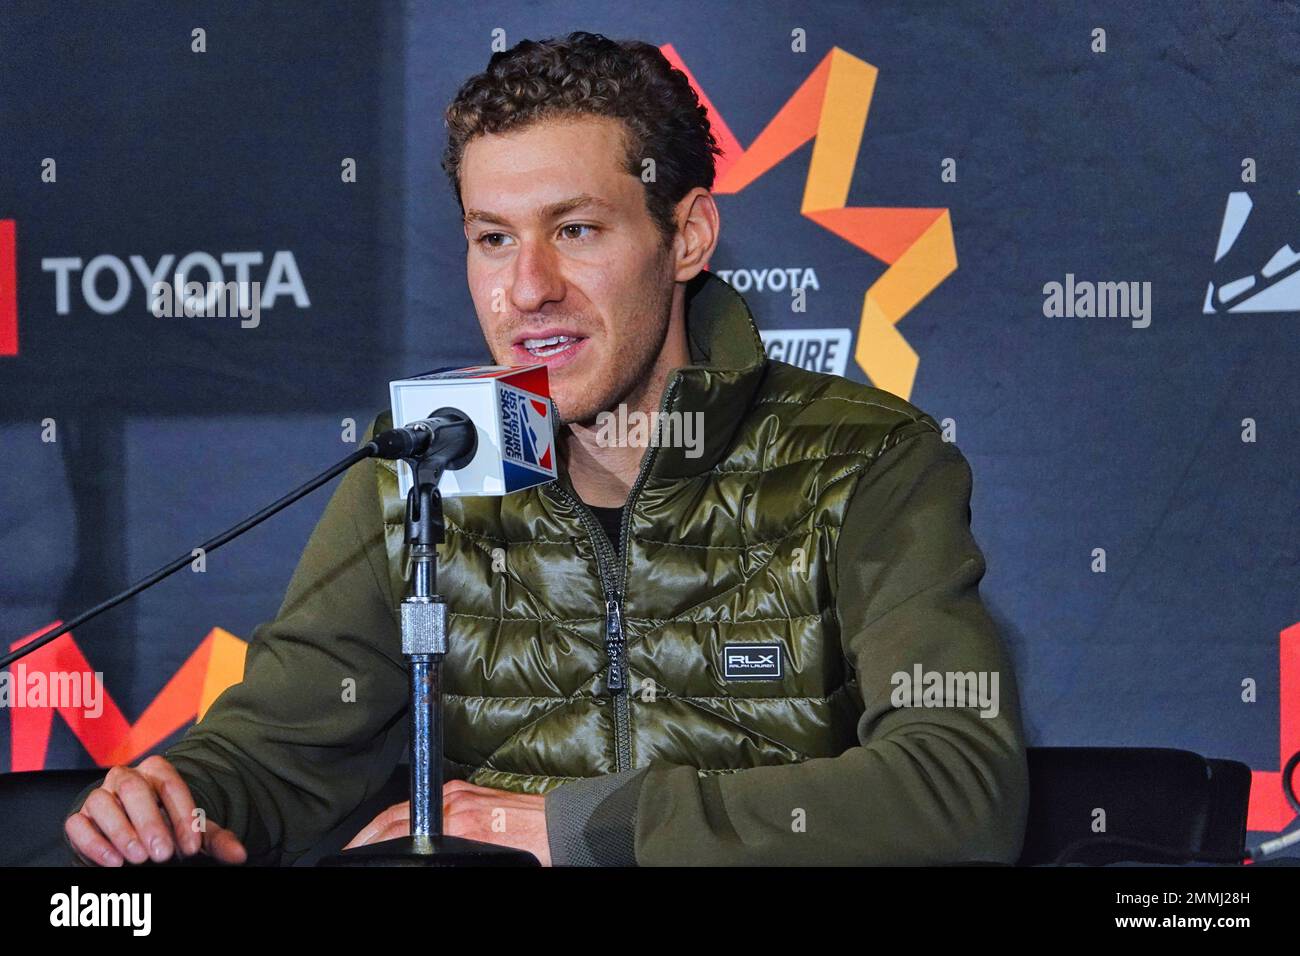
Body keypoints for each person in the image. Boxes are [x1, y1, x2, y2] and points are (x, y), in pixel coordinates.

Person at [65, 31, 1028, 867]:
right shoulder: (421, 462)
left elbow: (955, 788)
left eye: (575, 229)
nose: (527, 289)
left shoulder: (866, 461)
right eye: (493, 238)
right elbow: (276, 755)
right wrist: (179, 803)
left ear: (687, 235)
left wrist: (582, 830)